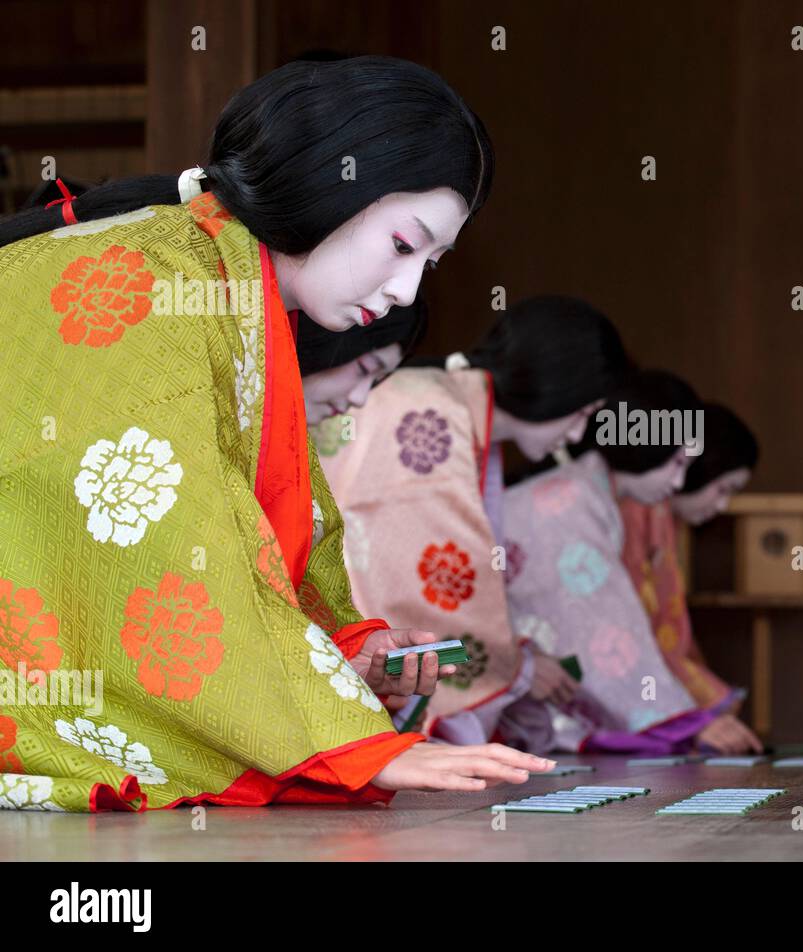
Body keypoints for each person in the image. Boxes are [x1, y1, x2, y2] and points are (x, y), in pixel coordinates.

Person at [0, 56, 552, 813]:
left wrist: (346, 654)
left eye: (432, 261)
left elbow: (250, 540)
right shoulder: (151, 277)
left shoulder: (225, 288)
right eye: (403, 245)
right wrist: (345, 739)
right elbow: (168, 548)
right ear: (334, 182)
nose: (406, 291)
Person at [311, 295, 627, 750]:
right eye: (581, 413)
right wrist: (516, 669)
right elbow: (414, 577)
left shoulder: (456, 408)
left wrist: (517, 661)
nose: (578, 435)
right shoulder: (431, 416)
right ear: (554, 385)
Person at [501, 370, 727, 752]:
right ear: (644, 444)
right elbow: (598, 627)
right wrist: (681, 721)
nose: (677, 483)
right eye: (676, 463)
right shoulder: (571, 499)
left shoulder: (590, 491)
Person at [618, 402, 763, 754]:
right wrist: (692, 717)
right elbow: (626, 632)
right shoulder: (639, 508)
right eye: (723, 488)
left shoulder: (660, 517)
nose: (723, 505)